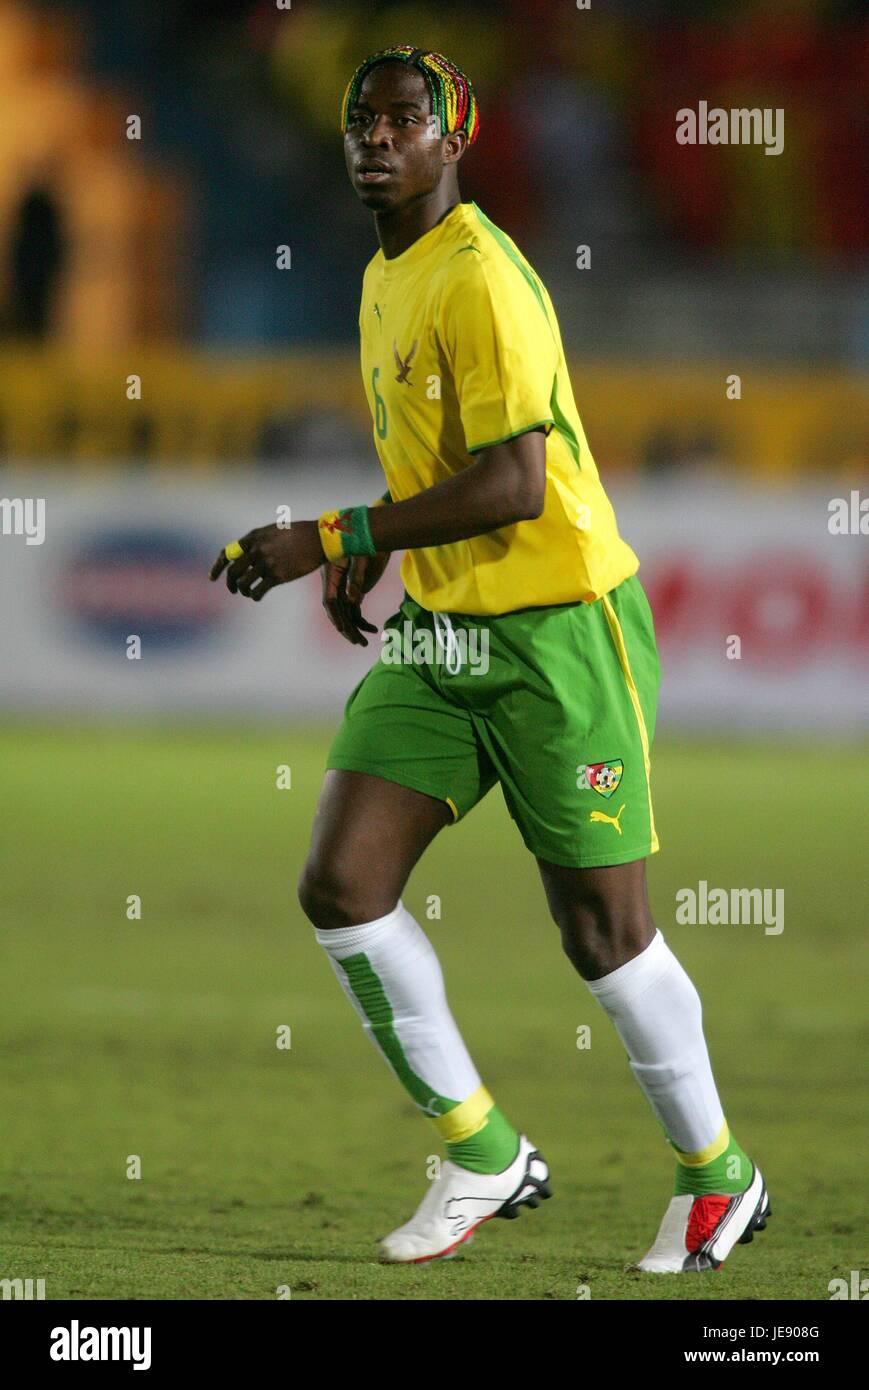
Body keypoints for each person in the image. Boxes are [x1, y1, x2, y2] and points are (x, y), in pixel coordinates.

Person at [210, 45, 769, 1272]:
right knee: (342, 883)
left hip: (561, 632)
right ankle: (478, 1150)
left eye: (403, 119)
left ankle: (717, 1174)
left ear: (450, 135)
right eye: (362, 119)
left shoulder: (482, 279)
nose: (374, 136)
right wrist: (379, 542)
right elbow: (446, 465)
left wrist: (334, 536)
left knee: (600, 933)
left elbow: (517, 484)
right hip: (445, 632)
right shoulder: (384, 269)